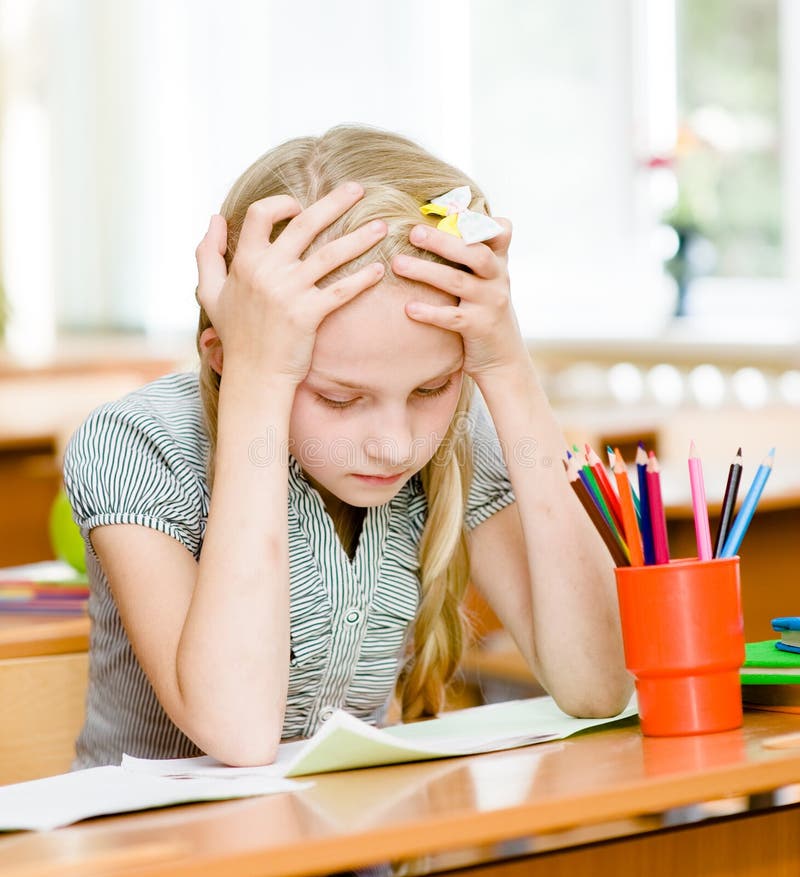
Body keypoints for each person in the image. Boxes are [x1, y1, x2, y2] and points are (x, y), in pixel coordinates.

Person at [63, 125, 632, 769]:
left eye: (431, 388)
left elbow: (598, 684)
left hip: (349, 826)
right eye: (339, 398)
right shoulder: (137, 443)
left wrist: (506, 367)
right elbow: (239, 733)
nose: (395, 446)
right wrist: (257, 382)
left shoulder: (453, 436)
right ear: (224, 356)